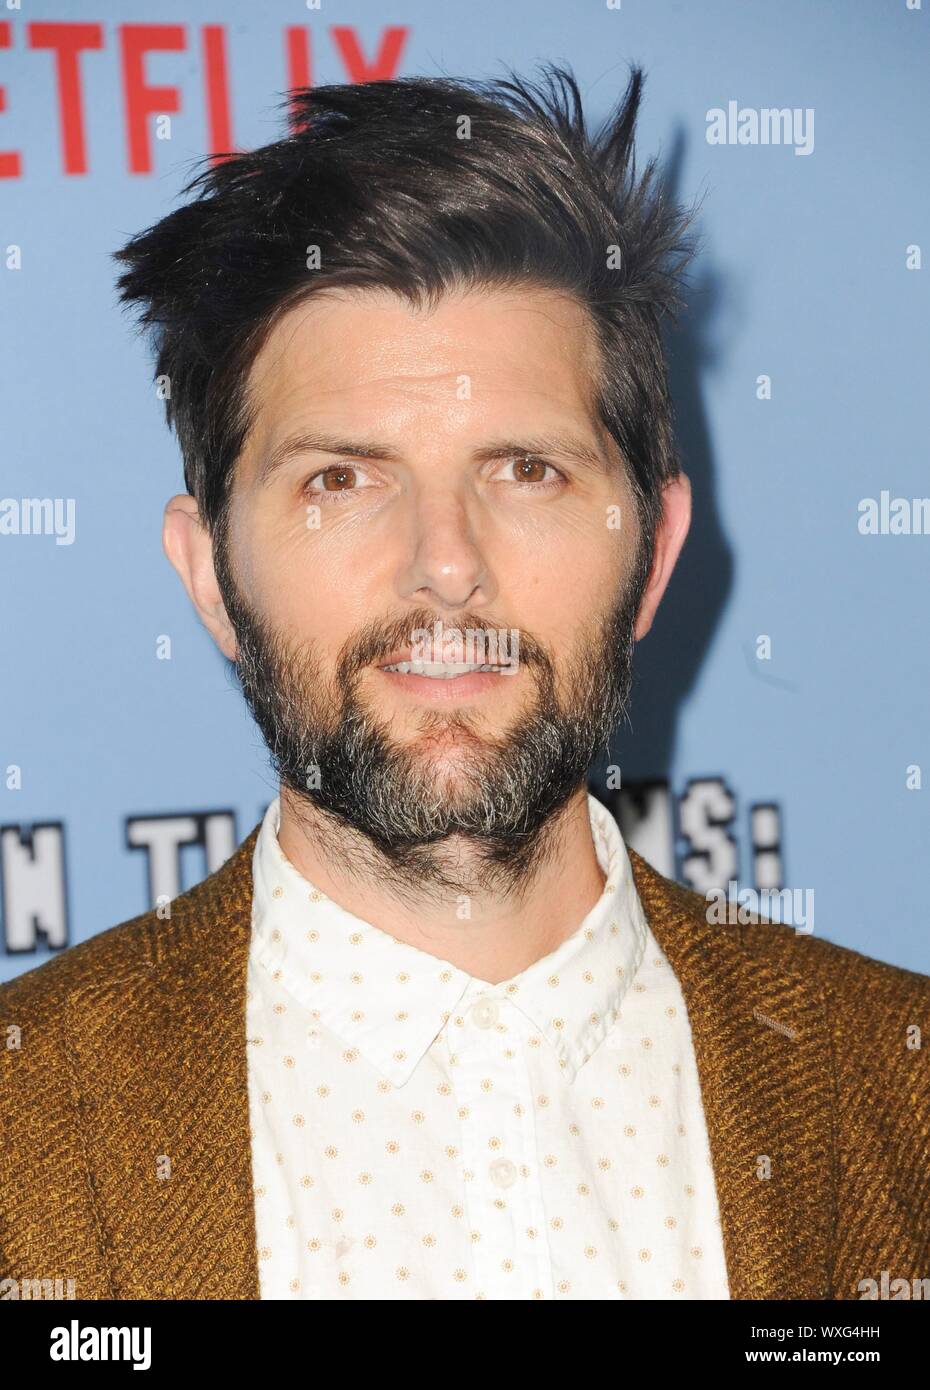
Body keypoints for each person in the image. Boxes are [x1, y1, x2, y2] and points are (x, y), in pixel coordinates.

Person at [1, 65, 927, 1302]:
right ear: (210, 577)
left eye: (527, 470)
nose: (446, 567)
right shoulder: (27, 1120)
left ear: (651, 552)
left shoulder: (898, 1092)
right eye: (341, 479)